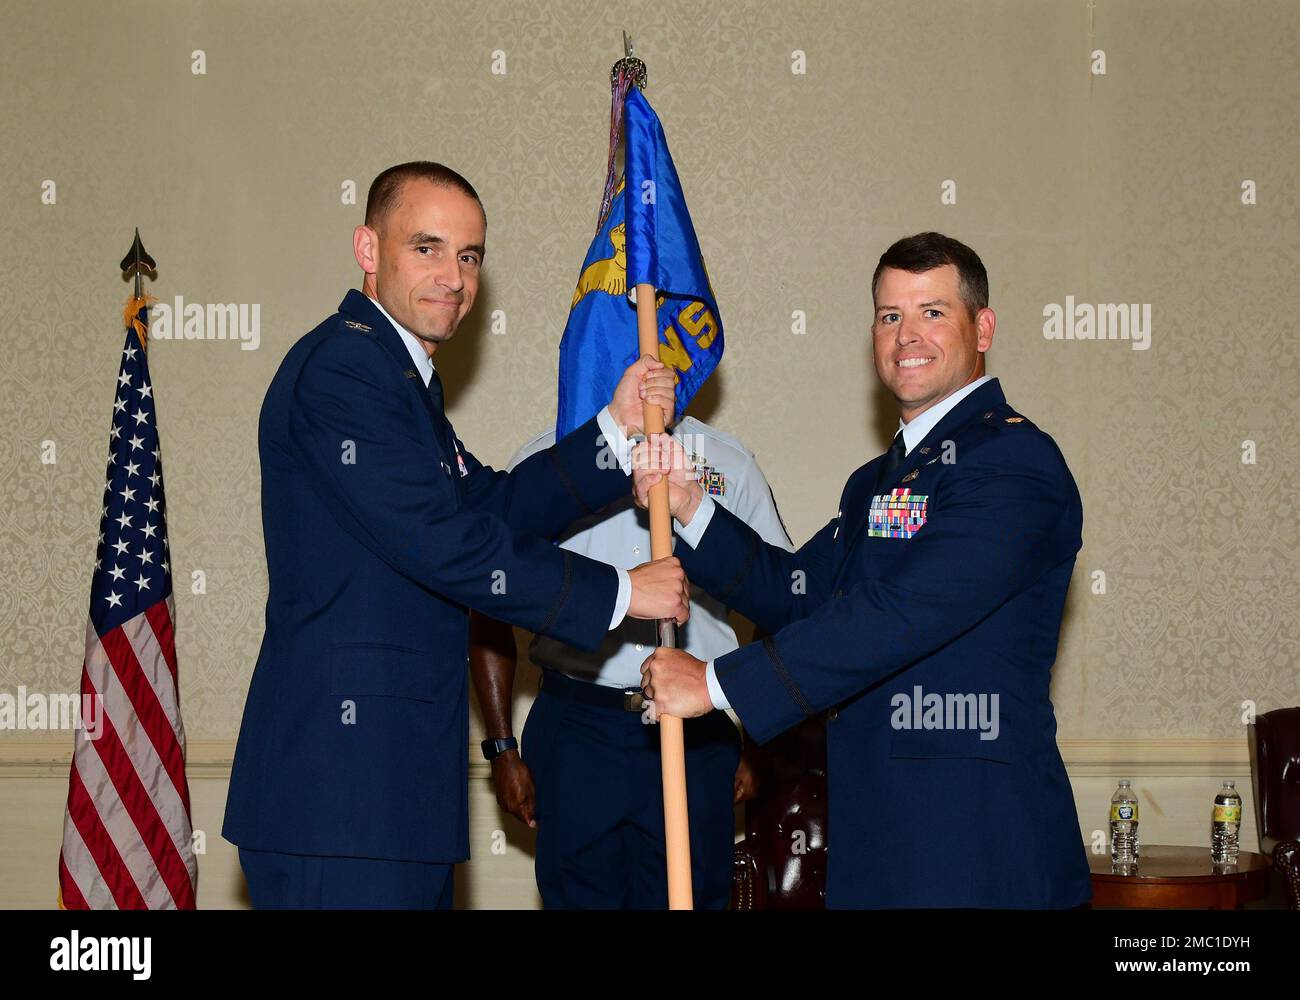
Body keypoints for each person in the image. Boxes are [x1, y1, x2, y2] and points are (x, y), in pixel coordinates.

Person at [221, 161, 692, 909]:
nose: (453, 277)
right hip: (342, 796)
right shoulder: (347, 368)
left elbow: (492, 508)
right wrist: (620, 594)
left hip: (390, 791)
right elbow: (440, 541)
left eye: (469, 256)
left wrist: (614, 427)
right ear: (368, 249)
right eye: (427, 248)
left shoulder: (399, 378)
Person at [636, 232, 1091, 909]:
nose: (907, 335)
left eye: (932, 312)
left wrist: (716, 683)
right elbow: (799, 594)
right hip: (876, 841)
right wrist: (691, 506)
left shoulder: (1014, 461)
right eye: (889, 316)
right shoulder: (876, 481)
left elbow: (900, 614)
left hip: (976, 848)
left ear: (983, 328)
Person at [471, 414, 793, 908]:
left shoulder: (728, 463)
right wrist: (500, 748)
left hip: (694, 731)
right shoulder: (550, 462)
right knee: (576, 898)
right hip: (576, 727)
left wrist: (757, 740)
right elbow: (487, 601)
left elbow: (781, 602)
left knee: (690, 896)